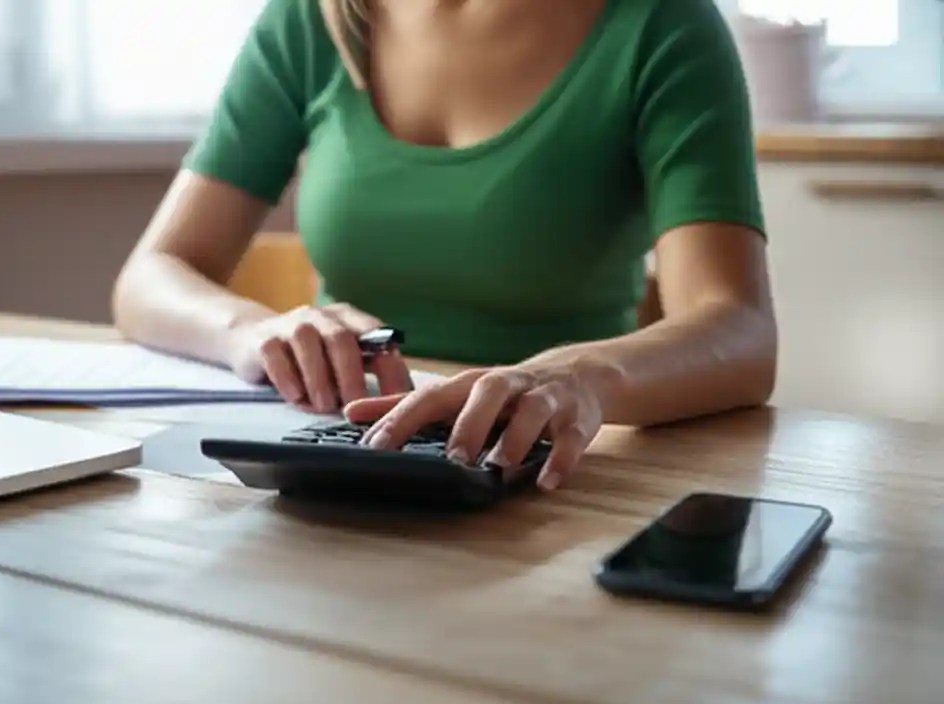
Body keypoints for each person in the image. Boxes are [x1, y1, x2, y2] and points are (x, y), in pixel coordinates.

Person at [113, 0, 777, 491]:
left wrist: (578, 375)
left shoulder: (663, 25)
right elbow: (150, 277)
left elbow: (740, 328)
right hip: (336, 464)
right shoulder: (310, 20)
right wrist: (253, 330)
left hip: (555, 480)